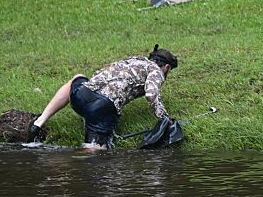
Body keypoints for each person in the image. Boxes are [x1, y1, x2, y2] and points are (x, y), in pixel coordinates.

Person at [28, 45, 178, 149]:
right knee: (95, 155)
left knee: (78, 77)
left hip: (80, 96)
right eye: (168, 70)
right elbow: (151, 94)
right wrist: (164, 118)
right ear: (166, 67)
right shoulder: (156, 71)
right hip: (102, 108)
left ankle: (39, 122)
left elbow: (103, 71)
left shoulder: (134, 60)